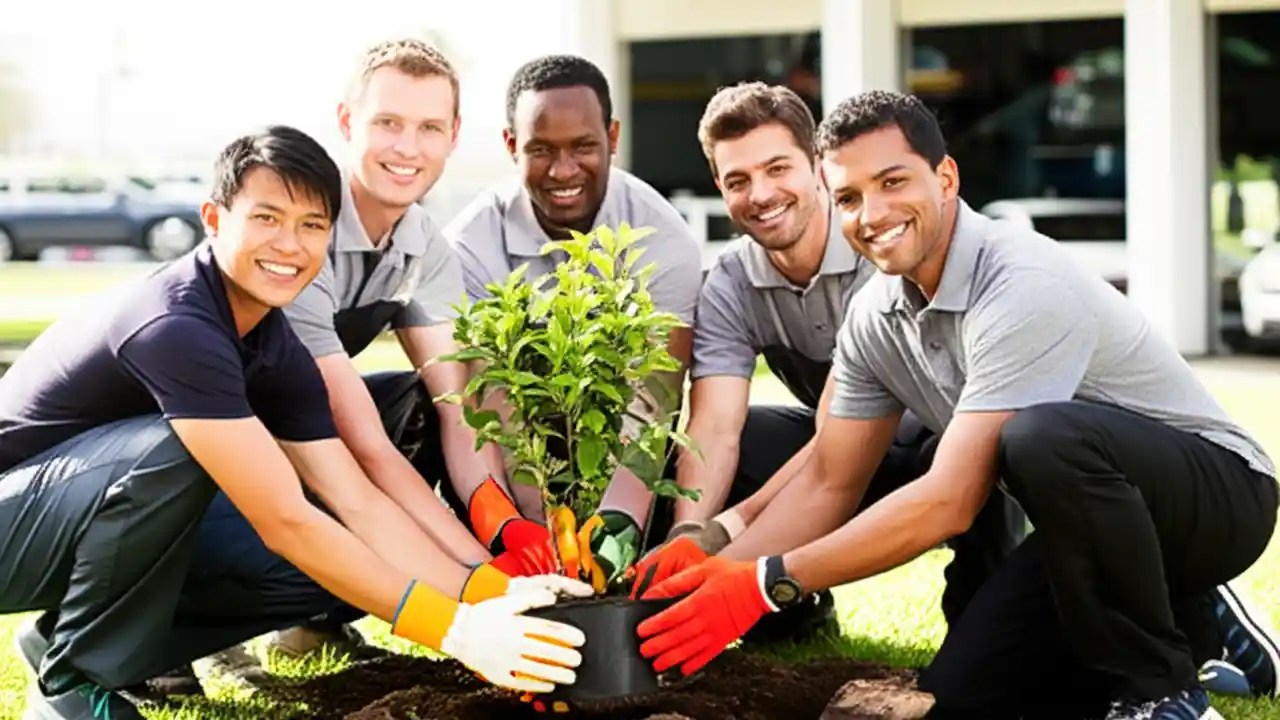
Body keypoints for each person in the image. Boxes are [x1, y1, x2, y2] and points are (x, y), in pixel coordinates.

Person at [634, 90, 1279, 720]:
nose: (872, 213)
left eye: (893, 182)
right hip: (1083, 529)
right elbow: (830, 480)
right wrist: (712, 570)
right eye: (850, 198)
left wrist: (767, 584)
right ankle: (1191, 618)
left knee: (1039, 436)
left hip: (1220, 498)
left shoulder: (1020, 280)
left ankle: (1163, 694)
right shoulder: (875, 314)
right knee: (964, 692)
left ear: (946, 177)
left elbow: (952, 499)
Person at [0, 125, 590, 720]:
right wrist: (456, 633)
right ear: (214, 219)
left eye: (312, 225)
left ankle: (71, 641)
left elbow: (355, 499)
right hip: (12, 520)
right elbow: (284, 519)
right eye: (267, 218)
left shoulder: (273, 343)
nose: (289, 244)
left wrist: (487, 593)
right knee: (176, 452)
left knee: (326, 560)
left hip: (78, 526)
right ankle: (74, 683)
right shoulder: (176, 326)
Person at [631, 81, 1025, 642]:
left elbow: (838, 433)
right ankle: (788, 615)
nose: (761, 194)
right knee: (740, 441)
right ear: (719, 187)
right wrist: (692, 532)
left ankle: (983, 628)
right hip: (837, 451)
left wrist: (730, 531)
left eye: (777, 168)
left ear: (818, 167)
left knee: (978, 452)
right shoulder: (730, 284)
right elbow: (715, 425)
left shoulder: (879, 249)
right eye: (738, 181)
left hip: (935, 442)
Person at [444, 54, 703, 576]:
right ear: (511, 145)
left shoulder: (663, 240)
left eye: (583, 146)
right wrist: (529, 530)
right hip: (515, 456)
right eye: (541, 149)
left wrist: (616, 524)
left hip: (623, 454)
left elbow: (654, 399)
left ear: (612, 137)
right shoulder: (470, 245)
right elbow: (484, 400)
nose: (563, 171)